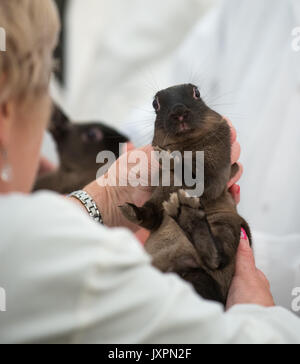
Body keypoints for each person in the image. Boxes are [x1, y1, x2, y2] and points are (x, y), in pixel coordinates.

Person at [0, 0, 299, 344]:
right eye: (42, 96)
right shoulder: (76, 265)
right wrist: (258, 312)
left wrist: (102, 199)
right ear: (6, 112)